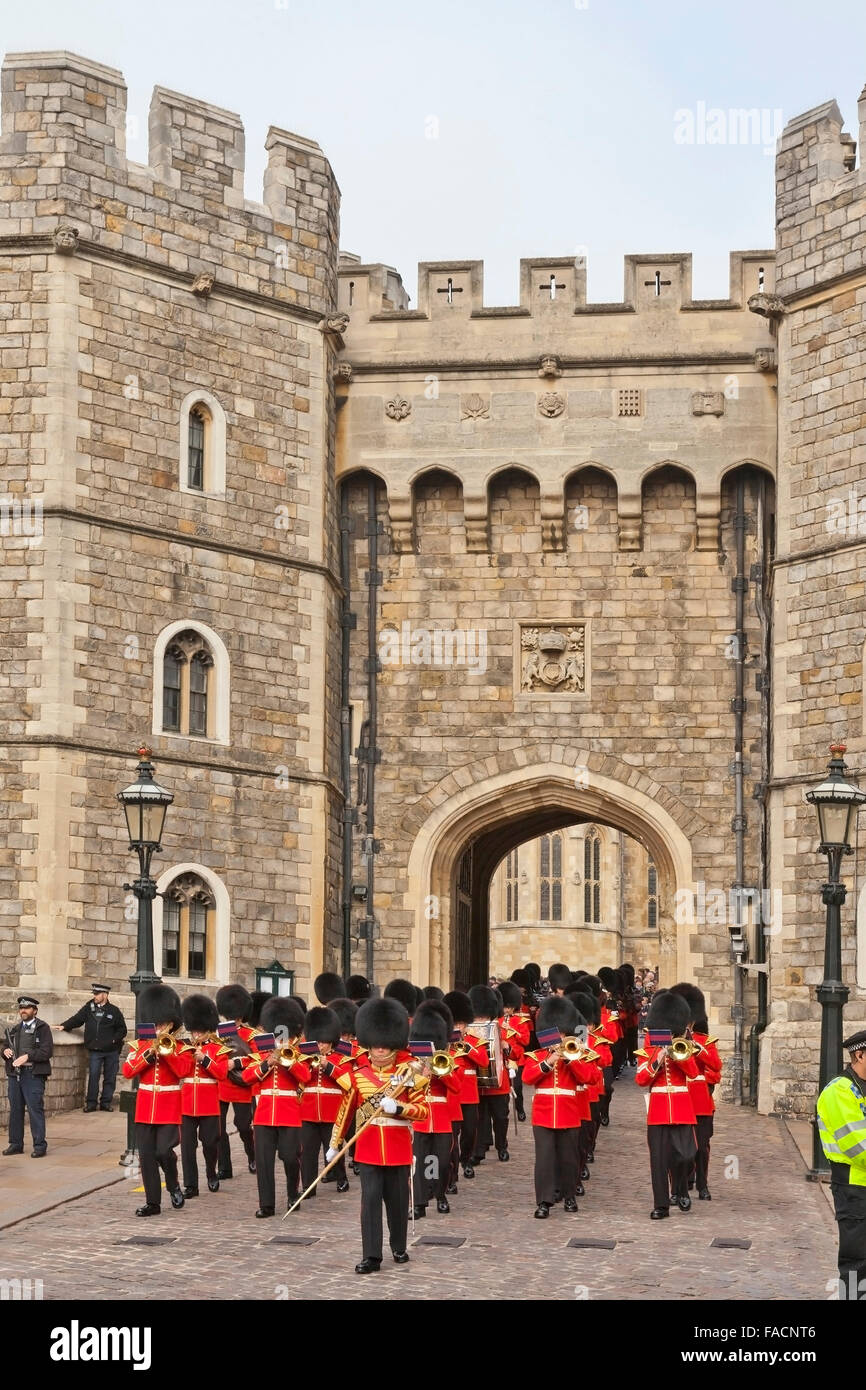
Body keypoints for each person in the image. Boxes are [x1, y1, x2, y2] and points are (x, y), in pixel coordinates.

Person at [328, 997, 430, 1274]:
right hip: (369, 1148)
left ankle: (398, 1245)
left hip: (397, 1148)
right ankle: (371, 1255)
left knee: (397, 1204)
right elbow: (345, 1112)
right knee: (369, 1203)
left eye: (384, 1045)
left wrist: (398, 1107)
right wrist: (334, 1143)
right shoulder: (358, 1076)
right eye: (375, 1045)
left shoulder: (408, 1076)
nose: (380, 1050)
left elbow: (423, 1112)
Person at [121, 984, 193, 1216]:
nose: (159, 1027)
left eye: (162, 1024)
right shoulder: (141, 1046)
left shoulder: (182, 1048)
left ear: (171, 1024)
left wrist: (167, 1053)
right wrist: (149, 1054)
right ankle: (153, 1202)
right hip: (145, 1107)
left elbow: (183, 1071)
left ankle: (172, 1184)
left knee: (164, 1152)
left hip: (169, 1107)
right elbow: (128, 1070)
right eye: (156, 1023)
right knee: (147, 1157)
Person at [523, 995, 597, 1218]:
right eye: (556, 1034)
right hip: (543, 1114)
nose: (560, 1039)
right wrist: (549, 1061)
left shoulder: (578, 1055)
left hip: (568, 1112)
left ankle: (569, 1196)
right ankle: (544, 1201)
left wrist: (570, 1059)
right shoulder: (537, 1056)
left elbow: (589, 1077)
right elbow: (528, 1077)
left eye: (563, 1034)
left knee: (568, 1158)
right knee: (544, 1159)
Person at [242, 997, 309, 1218]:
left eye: (286, 1036)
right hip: (264, 1113)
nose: (282, 1040)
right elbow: (247, 1076)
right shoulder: (262, 1053)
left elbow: (306, 1077)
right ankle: (267, 1204)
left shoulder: (297, 1054)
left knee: (290, 1157)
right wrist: (267, 1063)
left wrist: (288, 1062)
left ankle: (292, 1193)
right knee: (263, 1161)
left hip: (289, 1112)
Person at [635, 990, 699, 1220]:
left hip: (682, 1107)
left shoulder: (684, 1044)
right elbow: (642, 1079)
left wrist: (677, 1054)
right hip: (659, 1109)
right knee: (659, 1161)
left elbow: (692, 1073)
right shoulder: (650, 1047)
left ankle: (681, 1188)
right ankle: (660, 1205)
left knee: (686, 1155)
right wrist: (659, 1056)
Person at [817, 1028, 866, 1300]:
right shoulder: (839, 1091)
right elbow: (858, 1146)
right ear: (859, 1055)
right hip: (854, 1188)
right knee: (857, 1262)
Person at [410, 1001, 459, 1218]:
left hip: (440, 1118)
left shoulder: (446, 1060)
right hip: (419, 1116)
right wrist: (420, 1074)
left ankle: (440, 1195)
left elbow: (456, 1087)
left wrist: (440, 1072)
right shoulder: (411, 1061)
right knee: (419, 1161)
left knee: (441, 1160)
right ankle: (419, 1202)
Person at [179, 993, 230, 1198]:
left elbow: (222, 1074)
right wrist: (190, 1058)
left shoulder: (218, 1049)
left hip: (209, 1102)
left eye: (200, 1031)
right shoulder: (184, 1047)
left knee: (210, 1143)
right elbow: (181, 1072)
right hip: (187, 1102)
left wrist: (205, 1059)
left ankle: (211, 1172)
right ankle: (191, 1185)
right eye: (194, 1031)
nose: (196, 1034)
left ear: (208, 1029)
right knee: (187, 1147)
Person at [299, 1005, 351, 1197]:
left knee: (333, 1147)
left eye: (323, 1042)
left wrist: (328, 1066)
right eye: (317, 1042)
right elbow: (300, 1078)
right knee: (308, 1151)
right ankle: (308, 1186)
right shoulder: (305, 1057)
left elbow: (347, 1083)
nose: (320, 1046)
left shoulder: (342, 1059)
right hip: (309, 1110)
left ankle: (341, 1177)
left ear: (331, 1041)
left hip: (331, 1111)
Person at [58, 982, 127, 1112]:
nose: (94, 996)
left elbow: (122, 1030)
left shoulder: (114, 1011)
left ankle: (106, 1103)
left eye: (97, 994)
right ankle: (91, 1103)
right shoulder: (88, 1008)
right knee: (93, 1077)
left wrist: (113, 1040)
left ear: (105, 995)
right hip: (95, 1050)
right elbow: (77, 1019)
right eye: (94, 994)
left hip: (111, 1051)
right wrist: (64, 1025)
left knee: (110, 1078)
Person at [215, 984, 257, 1179]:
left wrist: (236, 1062)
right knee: (219, 1128)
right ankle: (224, 1166)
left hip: (241, 1084)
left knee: (243, 1126)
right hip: (222, 1082)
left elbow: (259, 1058)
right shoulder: (219, 1033)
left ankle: (253, 1154)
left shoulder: (251, 1035)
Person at [3, 995, 53, 1158]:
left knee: (35, 1109)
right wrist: (5, 1052)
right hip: (15, 1075)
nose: (23, 1011)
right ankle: (15, 1144)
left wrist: (27, 1056)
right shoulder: (15, 1029)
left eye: (27, 1008)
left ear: (35, 1011)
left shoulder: (42, 1028)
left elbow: (46, 1052)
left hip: (33, 1074)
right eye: (21, 1008)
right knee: (16, 1110)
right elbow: (5, 1046)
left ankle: (39, 1145)